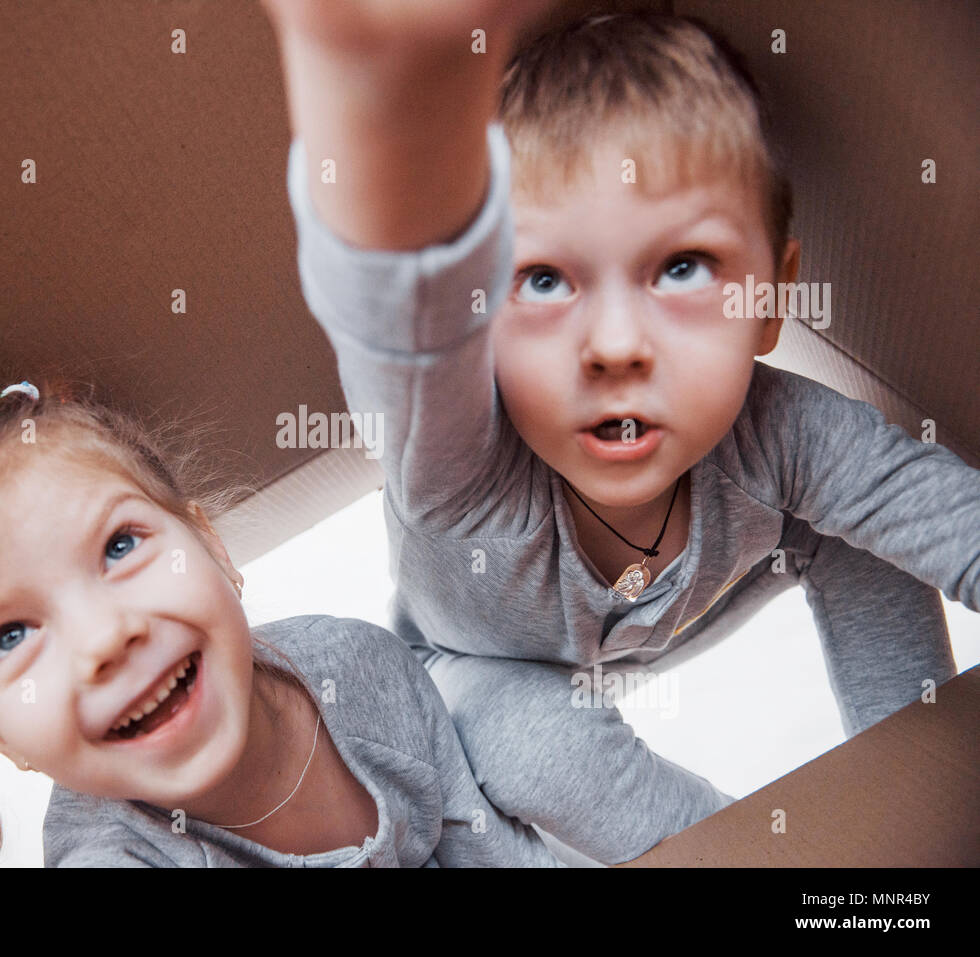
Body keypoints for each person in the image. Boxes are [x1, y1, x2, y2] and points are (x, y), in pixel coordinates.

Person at [261, 1, 976, 863]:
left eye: (681, 267)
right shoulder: (458, 472)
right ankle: (755, 846)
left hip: (697, 597)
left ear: (771, 297)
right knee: (532, 745)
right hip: (486, 661)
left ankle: (916, 774)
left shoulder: (785, 430)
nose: (614, 346)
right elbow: (402, 325)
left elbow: (945, 516)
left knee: (871, 529)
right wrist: (362, 80)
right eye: (545, 280)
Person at [0, 377, 561, 867]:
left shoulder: (359, 666)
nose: (104, 639)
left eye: (121, 546)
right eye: (10, 636)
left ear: (213, 546)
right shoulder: (112, 854)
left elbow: (484, 846)